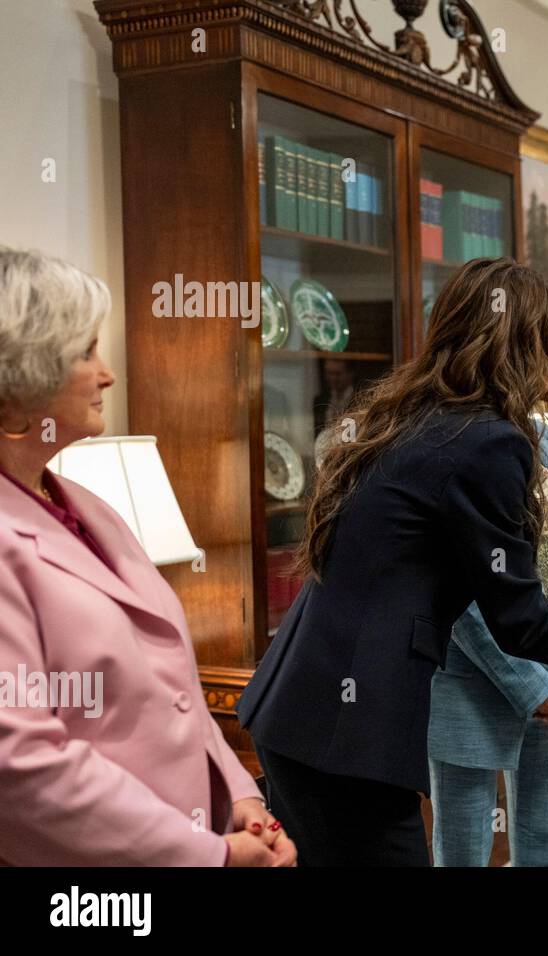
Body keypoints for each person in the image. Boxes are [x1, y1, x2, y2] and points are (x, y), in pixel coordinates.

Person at [237, 259, 548, 866]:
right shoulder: (489, 441)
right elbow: (522, 621)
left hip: (302, 711)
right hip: (345, 733)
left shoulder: (414, 416)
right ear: (518, 342)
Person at [0, 246, 295, 866]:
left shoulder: (84, 504)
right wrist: (203, 855)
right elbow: (20, 765)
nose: (106, 374)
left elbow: (172, 690)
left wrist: (236, 793)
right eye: (85, 353)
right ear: (15, 387)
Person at [427, 417, 548, 867]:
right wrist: (534, 689)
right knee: (463, 850)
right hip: (470, 679)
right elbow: (459, 596)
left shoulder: (544, 436)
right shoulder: (455, 438)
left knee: (544, 846)